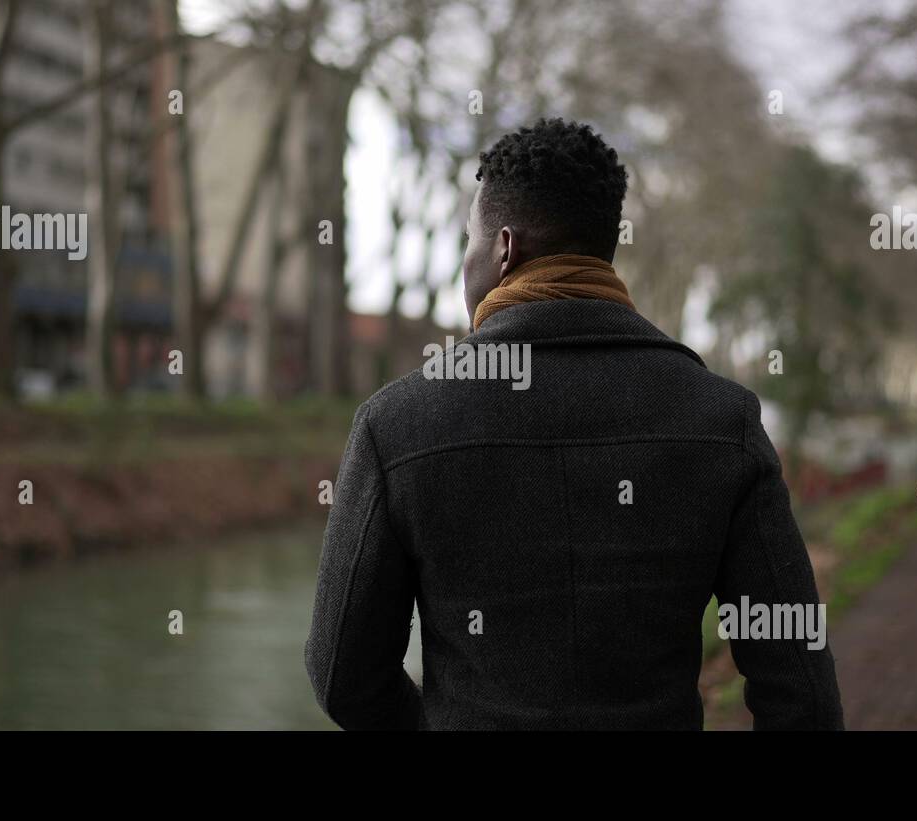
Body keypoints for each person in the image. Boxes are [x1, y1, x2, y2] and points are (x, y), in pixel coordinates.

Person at [305, 117, 843, 730]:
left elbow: (343, 677)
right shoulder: (724, 421)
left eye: (468, 241)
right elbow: (802, 690)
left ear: (503, 249)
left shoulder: (396, 426)